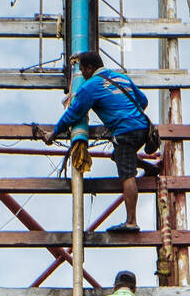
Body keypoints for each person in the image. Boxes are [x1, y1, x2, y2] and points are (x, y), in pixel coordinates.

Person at [35, 50, 150, 232]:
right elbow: (143, 101)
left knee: (127, 176)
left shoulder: (91, 87)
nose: (83, 74)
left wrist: (53, 133)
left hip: (125, 132)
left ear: (90, 68)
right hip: (144, 129)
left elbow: (74, 113)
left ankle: (131, 222)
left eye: (83, 70)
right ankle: (150, 168)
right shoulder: (121, 78)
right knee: (120, 156)